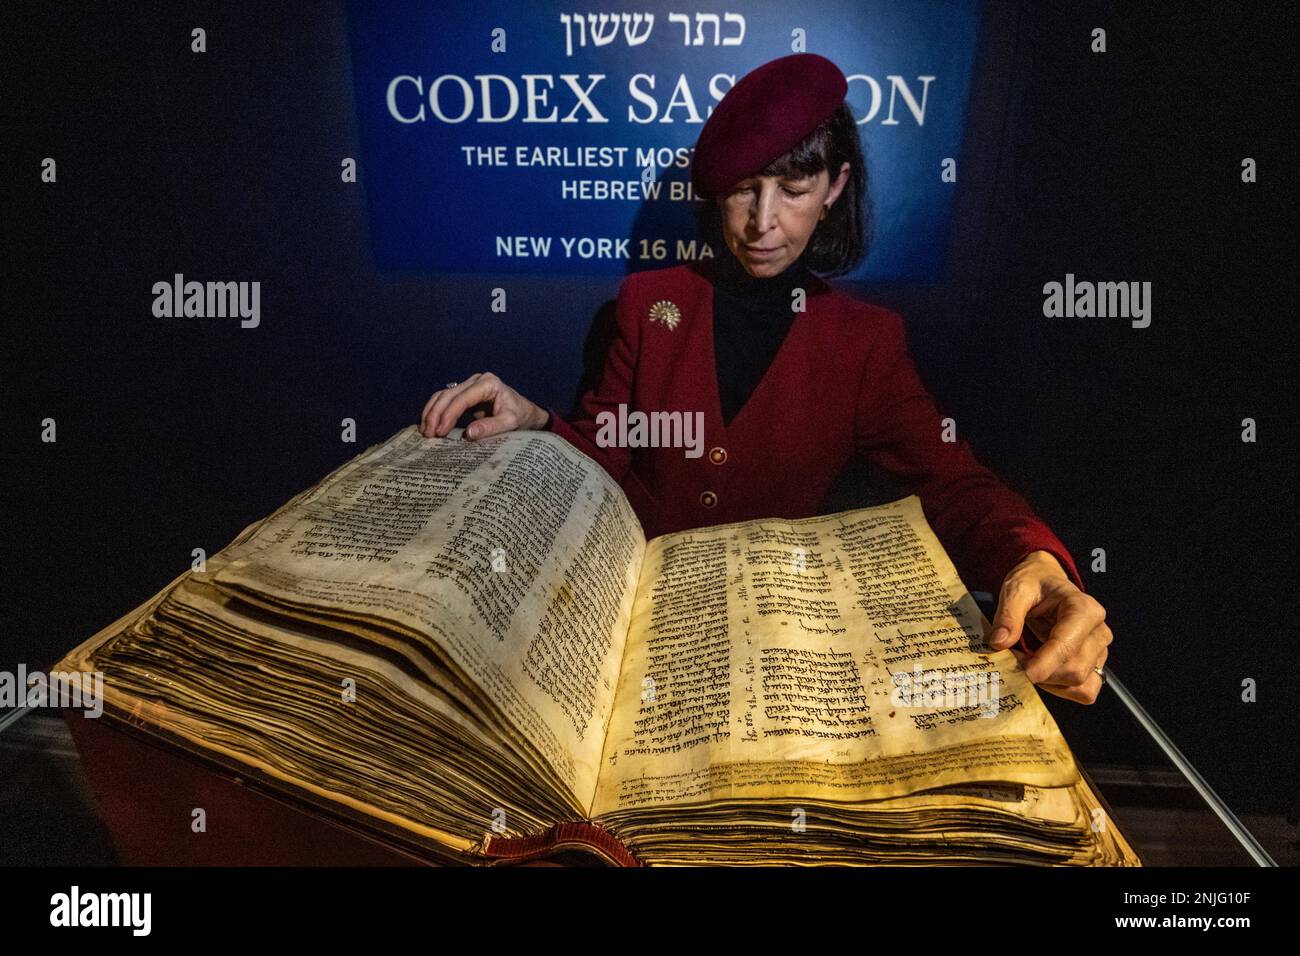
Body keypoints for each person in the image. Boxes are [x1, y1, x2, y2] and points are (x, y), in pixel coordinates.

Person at [419, 53, 1111, 704]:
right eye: (744, 190)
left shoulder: (865, 343)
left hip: (768, 654)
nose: (762, 222)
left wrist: (1035, 560)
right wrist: (536, 420)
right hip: (626, 634)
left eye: (794, 188)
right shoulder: (646, 304)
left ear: (835, 186)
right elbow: (604, 455)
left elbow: (956, 485)